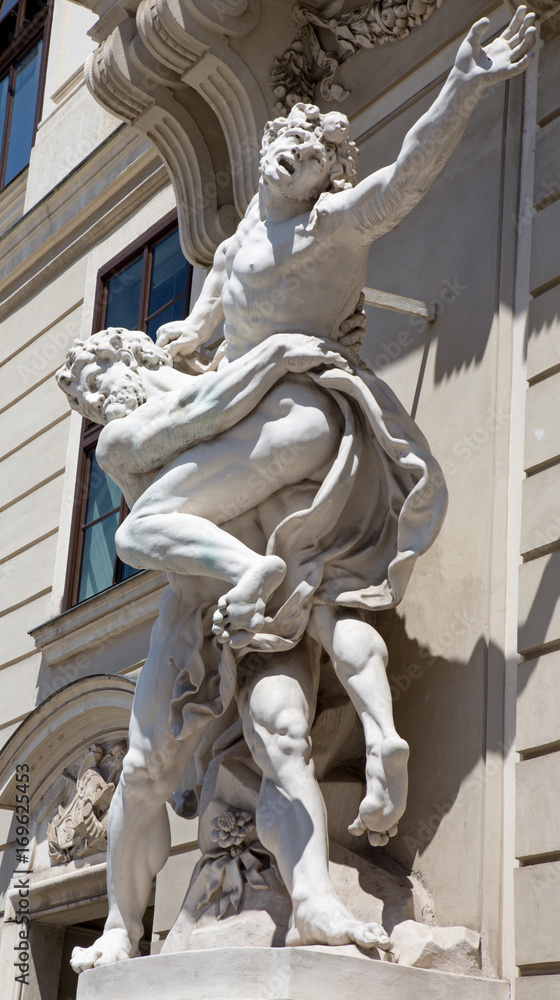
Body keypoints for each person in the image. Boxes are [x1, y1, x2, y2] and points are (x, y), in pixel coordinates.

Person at [58, 7, 535, 969]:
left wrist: (465, 80)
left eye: (309, 152)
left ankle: (311, 889)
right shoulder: (234, 248)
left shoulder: (331, 227)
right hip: (238, 492)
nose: (288, 156)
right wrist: (163, 364)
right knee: (168, 756)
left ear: (327, 173)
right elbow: (192, 340)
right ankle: (125, 922)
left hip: (290, 437)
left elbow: (405, 181)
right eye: (283, 144)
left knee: (174, 561)